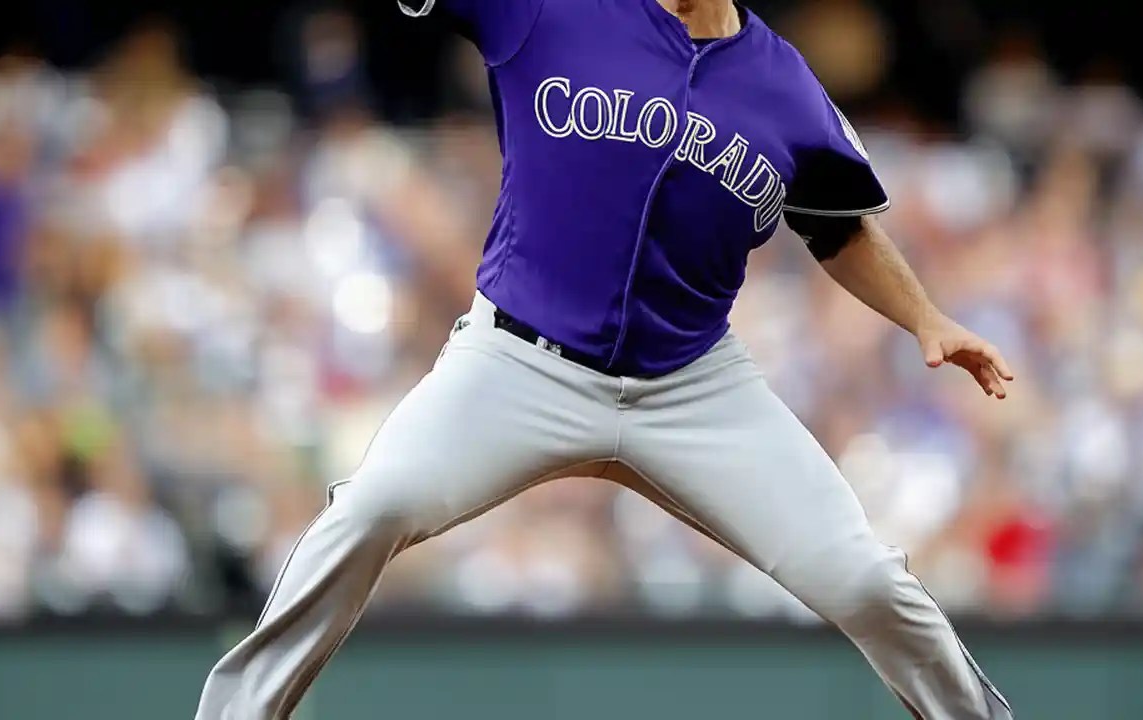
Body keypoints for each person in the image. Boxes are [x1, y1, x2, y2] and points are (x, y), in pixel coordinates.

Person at [195, 1, 1016, 718]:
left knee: (865, 580)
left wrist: (925, 318)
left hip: (692, 386)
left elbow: (836, 225)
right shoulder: (553, 7)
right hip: (519, 361)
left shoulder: (785, 86)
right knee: (369, 509)